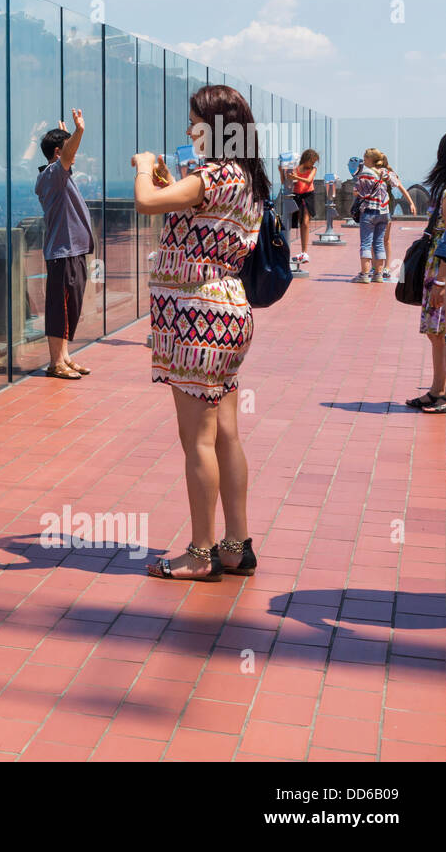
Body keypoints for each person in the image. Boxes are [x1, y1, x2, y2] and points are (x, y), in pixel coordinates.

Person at [133, 84, 269, 582]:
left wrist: (146, 166)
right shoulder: (246, 178)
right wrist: (173, 181)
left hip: (197, 317)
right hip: (228, 311)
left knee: (198, 441)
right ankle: (236, 545)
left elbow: (147, 202)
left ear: (214, 127)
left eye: (194, 122)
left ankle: (200, 551)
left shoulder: (213, 174)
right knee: (226, 433)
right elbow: (192, 214)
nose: (189, 130)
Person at [35, 109, 94, 380]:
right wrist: (79, 132)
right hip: (64, 252)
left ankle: (65, 357)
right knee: (60, 308)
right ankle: (55, 362)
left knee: (71, 308)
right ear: (58, 153)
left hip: (74, 251)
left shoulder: (59, 175)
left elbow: (66, 155)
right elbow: (67, 156)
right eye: (69, 148)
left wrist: (68, 137)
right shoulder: (52, 175)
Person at [407, 132, 446, 412]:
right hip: (437, 264)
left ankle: (445, 395)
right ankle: (437, 389)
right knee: (436, 332)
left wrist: (441, 280)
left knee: (445, 332)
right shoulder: (443, 189)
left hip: (444, 268)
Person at [352, 148, 400, 282]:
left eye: (364, 158)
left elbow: (357, 192)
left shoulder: (365, 173)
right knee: (379, 243)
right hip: (384, 212)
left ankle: (365, 275)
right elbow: (396, 183)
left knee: (366, 244)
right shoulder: (384, 172)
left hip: (369, 211)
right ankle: (378, 274)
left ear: (368, 159)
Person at [372, 150, 417, 279]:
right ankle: (375, 266)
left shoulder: (389, 175)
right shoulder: (372, 173)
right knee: (373, 238)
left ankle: (386, 267)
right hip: (373, 206)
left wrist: (411, 203)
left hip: (386, 207)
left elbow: (401, 188)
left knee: (385, 239)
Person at [288, 148, 319, 262]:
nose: (312, 164)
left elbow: (308, 180)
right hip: (297, 195)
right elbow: (288, 180)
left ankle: (305, 251)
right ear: (306, 159)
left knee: (305, 222)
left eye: (314, 162)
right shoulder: (296, 168)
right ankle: (298, 250)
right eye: (311, 161)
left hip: (308, 195)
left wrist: (295, 177)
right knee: (298, 222)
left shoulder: (313, 169)